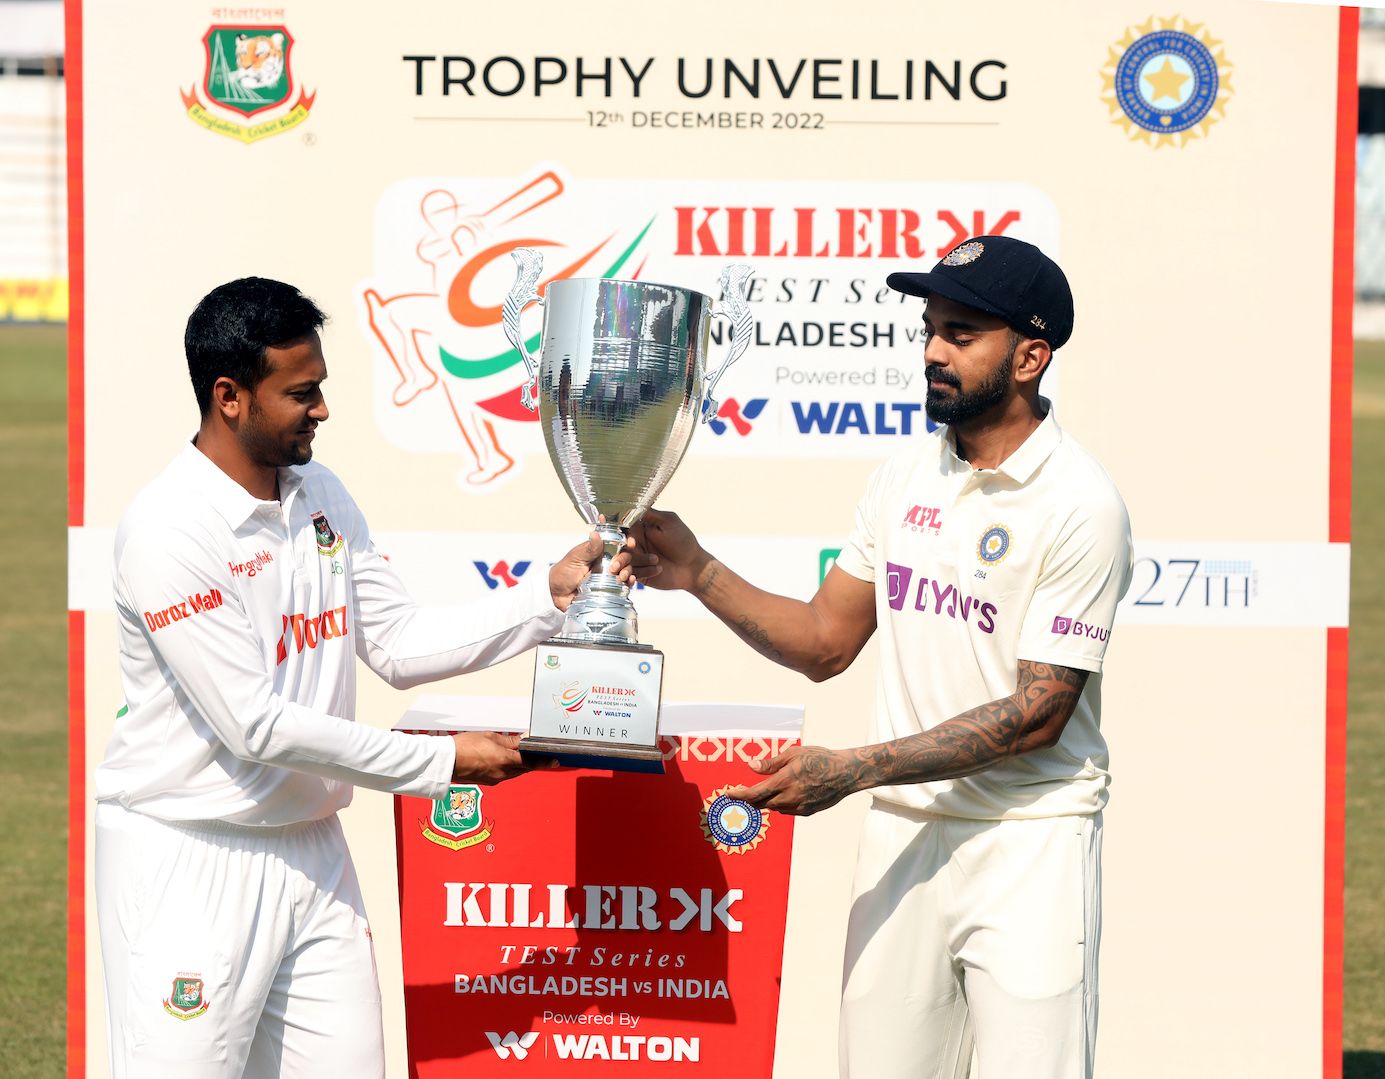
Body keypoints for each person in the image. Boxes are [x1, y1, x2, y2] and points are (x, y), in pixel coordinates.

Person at [94, 277, 632, 1077]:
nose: (322, 409)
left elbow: (398, 640)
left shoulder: (322, 494)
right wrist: (444, 764)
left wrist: (546, 601)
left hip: (314, 850)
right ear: (229, 396)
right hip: (188, 856)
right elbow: (257, 725)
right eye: (300, 392)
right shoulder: (169, 528)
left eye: (321, 388)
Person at [627, 236, 1132, 1078]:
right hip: (903, 830)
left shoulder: (1081, 502)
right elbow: (827, 641)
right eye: (930, 328)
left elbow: (1040, 712)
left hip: (1031, 838)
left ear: (1031, 355)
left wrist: (854, 768)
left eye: (962, 334)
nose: (933, 350)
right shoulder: (903, 476)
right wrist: (698, 572)